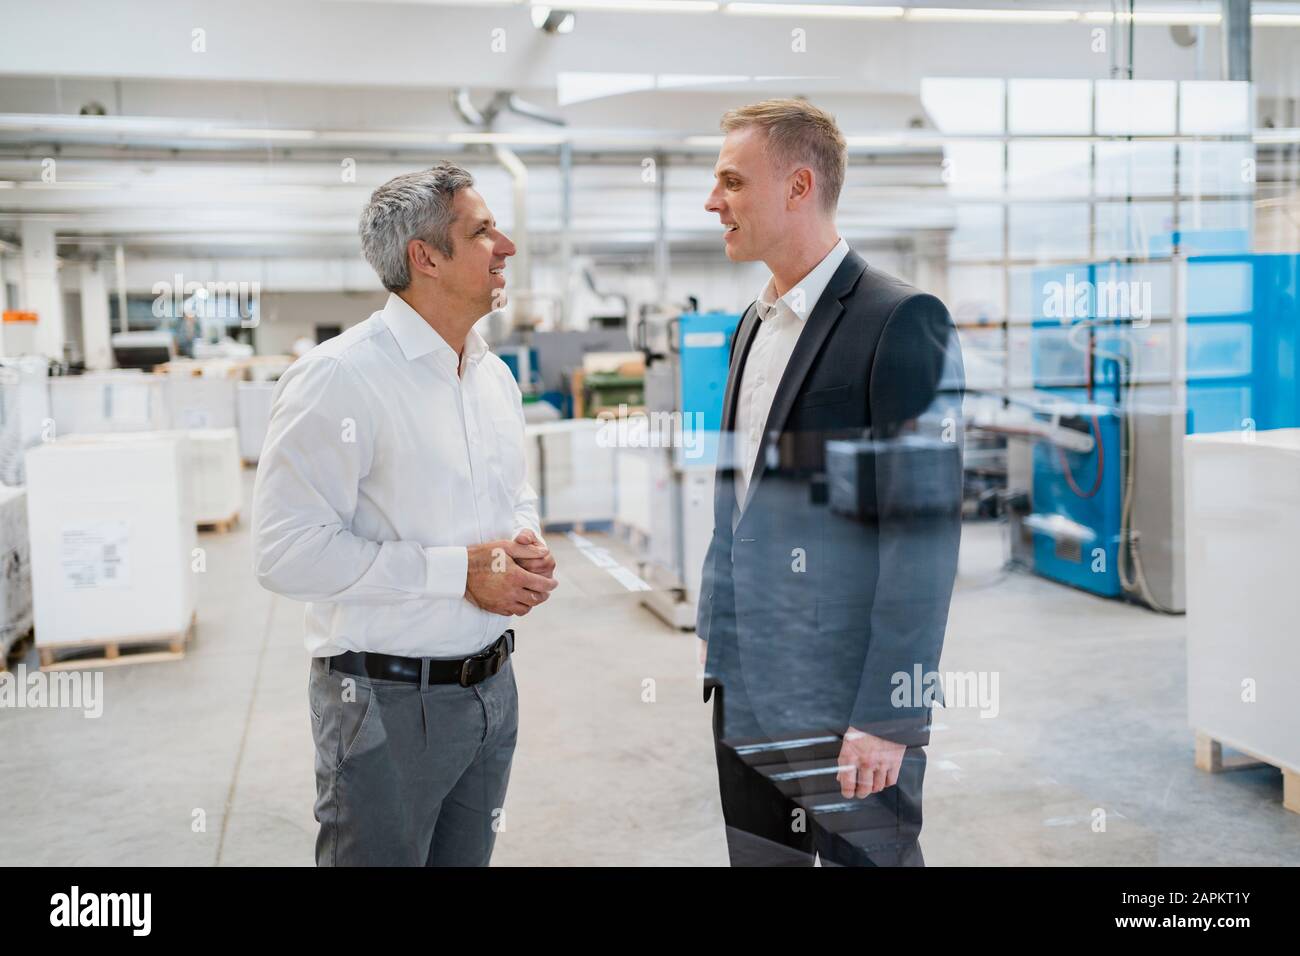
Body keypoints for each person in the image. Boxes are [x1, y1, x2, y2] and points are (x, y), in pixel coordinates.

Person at [252, 162, 557, 866]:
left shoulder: (491, 374)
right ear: (425, 257)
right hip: (384, 703)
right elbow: (283, 552)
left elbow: (514, 494)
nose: (506, 245)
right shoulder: (340, 376)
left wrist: (525, 543)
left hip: (491, 691)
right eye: (482, 231)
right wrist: (458, 574)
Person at [698, 99, 965, 866]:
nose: (714, 202)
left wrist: (890, 712)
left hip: (847, 697)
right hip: (744, 683)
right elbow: (741, 504)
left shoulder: (901, 319)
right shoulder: (753, 324)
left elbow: (923, 535)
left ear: (798, 186)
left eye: (732, 182)